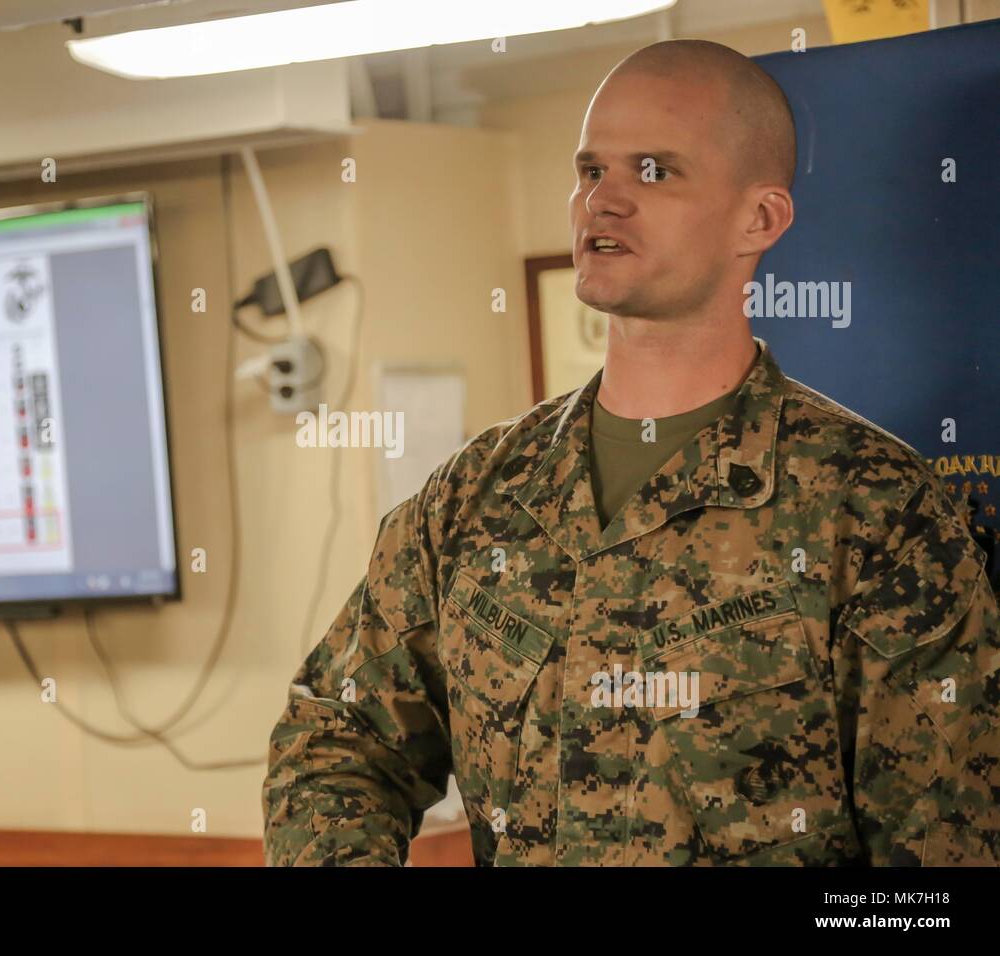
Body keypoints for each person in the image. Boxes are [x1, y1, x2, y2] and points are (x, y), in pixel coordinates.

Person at [261, 39, 1000, 867]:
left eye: (653, 171)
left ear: (759, 219)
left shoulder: (875, 511)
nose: (602, 201)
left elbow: (941, 868)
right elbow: (338, 731)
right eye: (589, 171)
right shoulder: (476, 496)